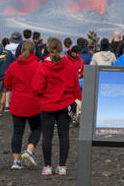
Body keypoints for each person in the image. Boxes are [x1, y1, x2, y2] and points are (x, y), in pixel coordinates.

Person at [32, 37, 82, 177]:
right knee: (64, 136)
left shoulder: (42, 66)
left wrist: (42, 97)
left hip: (47, 105)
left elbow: (37, 88)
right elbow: (76, 88)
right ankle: (62, 166)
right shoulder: (69, 66)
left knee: (47, 137)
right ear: (62, 49)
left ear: (48, 49)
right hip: (65, 104)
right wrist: (77, 101)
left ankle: (47, 166)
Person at [4, 40, 41, 170]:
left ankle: (16, 161)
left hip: (17, 103)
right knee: (37, 128)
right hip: (34, 103)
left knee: (17, 132)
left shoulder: (13, 66)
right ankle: (29, 151)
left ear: (20, 51)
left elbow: (7, 84)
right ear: (34, 51)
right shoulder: (38, 66)